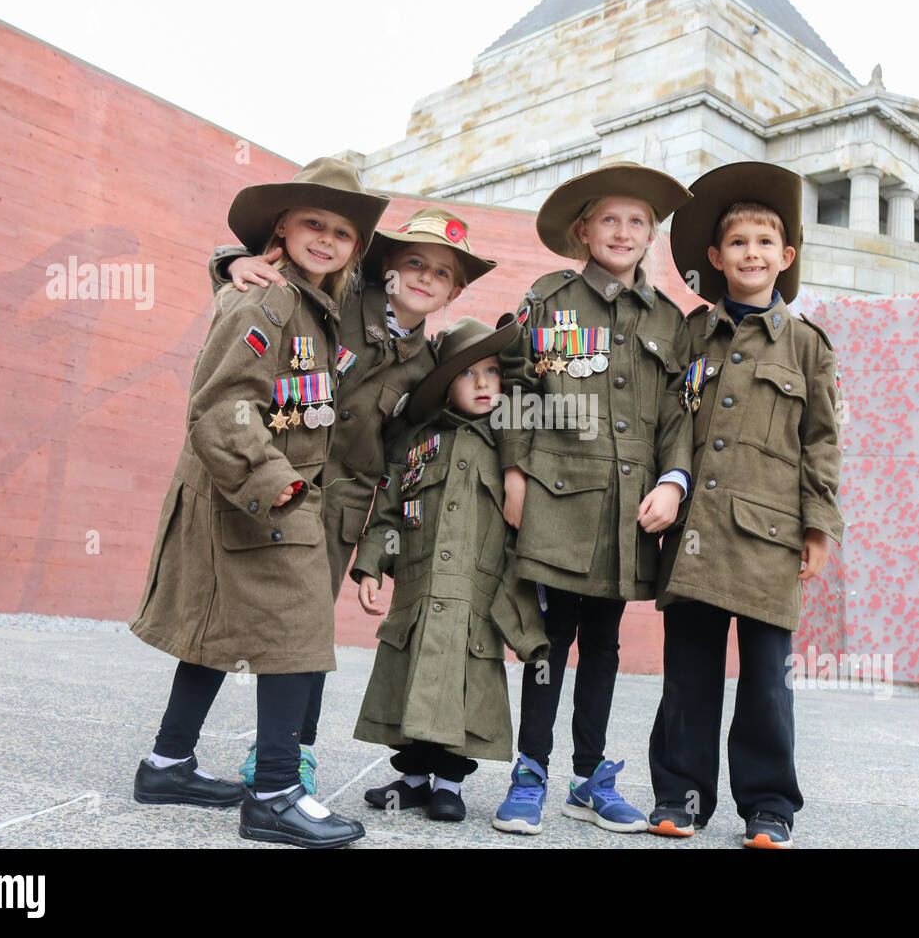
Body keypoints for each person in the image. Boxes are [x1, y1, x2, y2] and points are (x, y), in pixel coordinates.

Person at [129, 157, 389, 848]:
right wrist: (279, 486)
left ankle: (167, 763)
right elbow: (220, 407)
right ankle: (274, 792)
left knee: (217, 632)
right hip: (260, 490)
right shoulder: (269, 301)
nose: (328, 239)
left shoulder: (313, 302)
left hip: (253, 489)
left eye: (343, 231)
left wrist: (227, 262)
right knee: (297, 633)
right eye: (313, 223)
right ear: (283, 227)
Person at [210, 207, 496, 793]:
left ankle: (292, 754)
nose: (424, 277)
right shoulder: (339, 301)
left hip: (336, 507)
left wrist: (380, 544)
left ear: (455, 290)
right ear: (384, 266)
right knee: (226, 612)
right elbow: (273, 282)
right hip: (271, 478)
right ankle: (176, 752)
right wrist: (228, 263)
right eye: (413, 262)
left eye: (441, 273)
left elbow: (403, 458)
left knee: (307, 633)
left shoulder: (428, 365)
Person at [490, 162, 694, 835]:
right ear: (584, 230)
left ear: (651, 236)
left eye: (638, 222)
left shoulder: (670, 320)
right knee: (549, 641)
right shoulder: (547, 300)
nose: (624, 232)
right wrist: (515, 475)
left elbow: (678, 416)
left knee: (603, 646)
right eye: (610, 219)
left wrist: (673, 481)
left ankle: (588, 776)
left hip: (627, 511)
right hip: (555, 503)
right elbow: (515, 389)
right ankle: (530, 771)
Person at [647, 162, 843, 848]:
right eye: (738, 243)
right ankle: (680, 795)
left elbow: (822, 442)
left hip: (770, 536)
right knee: (689, 674)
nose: (751, 253)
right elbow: (669, 420)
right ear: (715, 258)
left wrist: (819, 526)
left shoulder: (808, 346)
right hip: (698, 533)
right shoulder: (690, 336)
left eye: (765, 242)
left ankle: (768, 806)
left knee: (766, 683)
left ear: (785, 258)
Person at [350, 316, 548, 822]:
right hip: (418, 589)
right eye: (467, 374)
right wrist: (371, 564)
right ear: (445, 385)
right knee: (408, 681)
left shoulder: (510, 449)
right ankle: (413, 778)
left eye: (492, 372)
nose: (483, 384)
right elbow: (390, 510)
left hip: (479, 594)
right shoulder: (417, 444)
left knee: (465, 686)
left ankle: (451, 785)